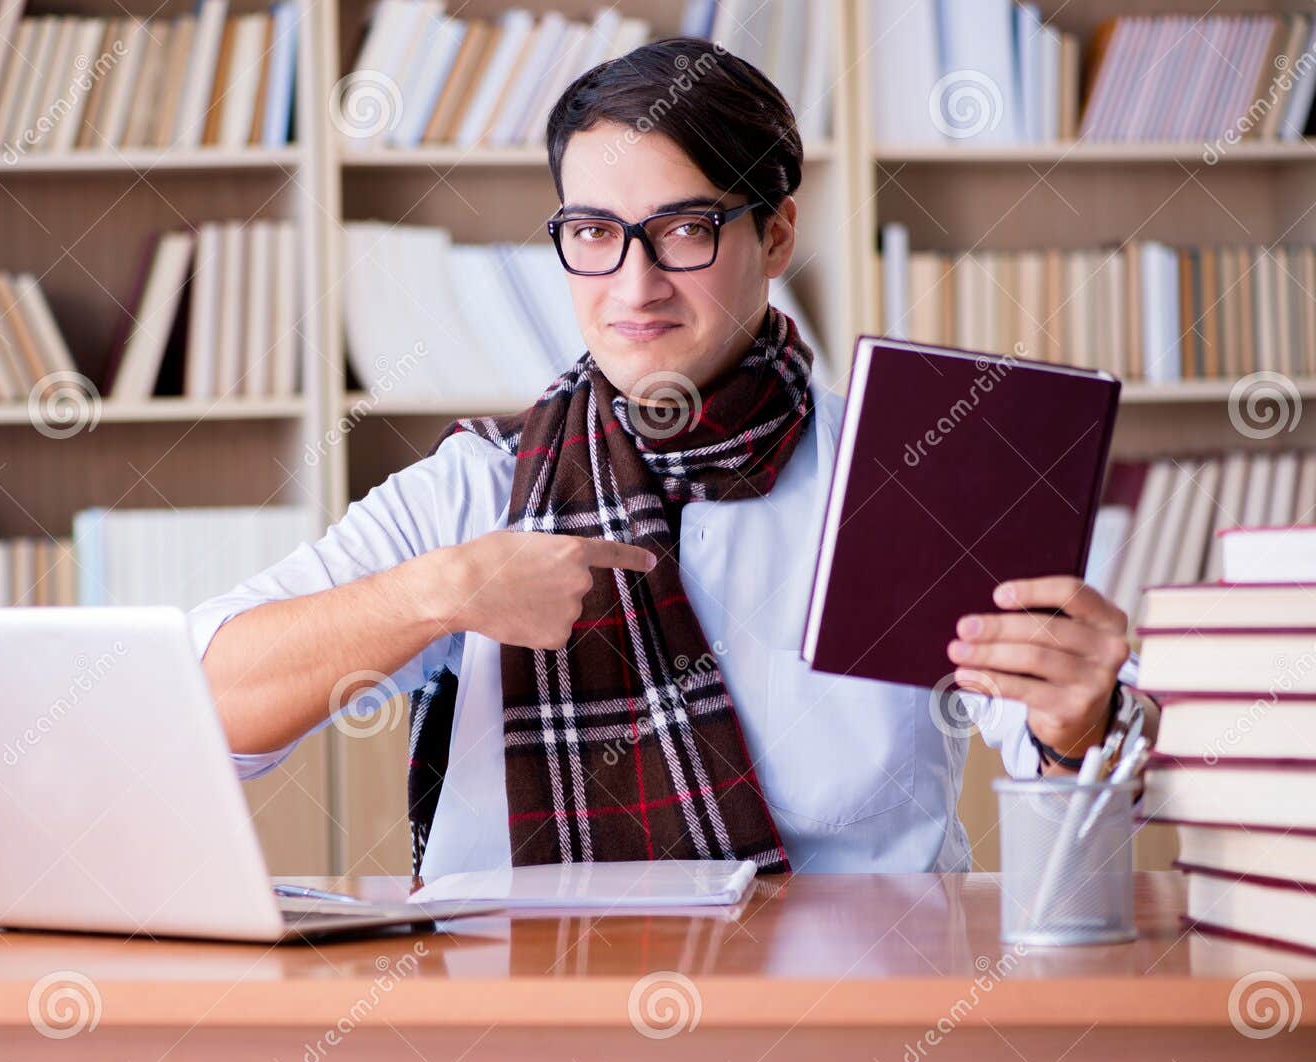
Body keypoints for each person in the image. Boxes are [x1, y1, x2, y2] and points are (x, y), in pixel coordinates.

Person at [189, 37, 1157, 878]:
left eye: (684, 230)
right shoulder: (476, 489)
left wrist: (1076, 724)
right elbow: (199, 708)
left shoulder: (903, 467)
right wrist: (433, 595)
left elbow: (1072, 799)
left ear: (775, 233)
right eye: (594, 235)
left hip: (849, 1026)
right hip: (530, 1029)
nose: (632, 284)